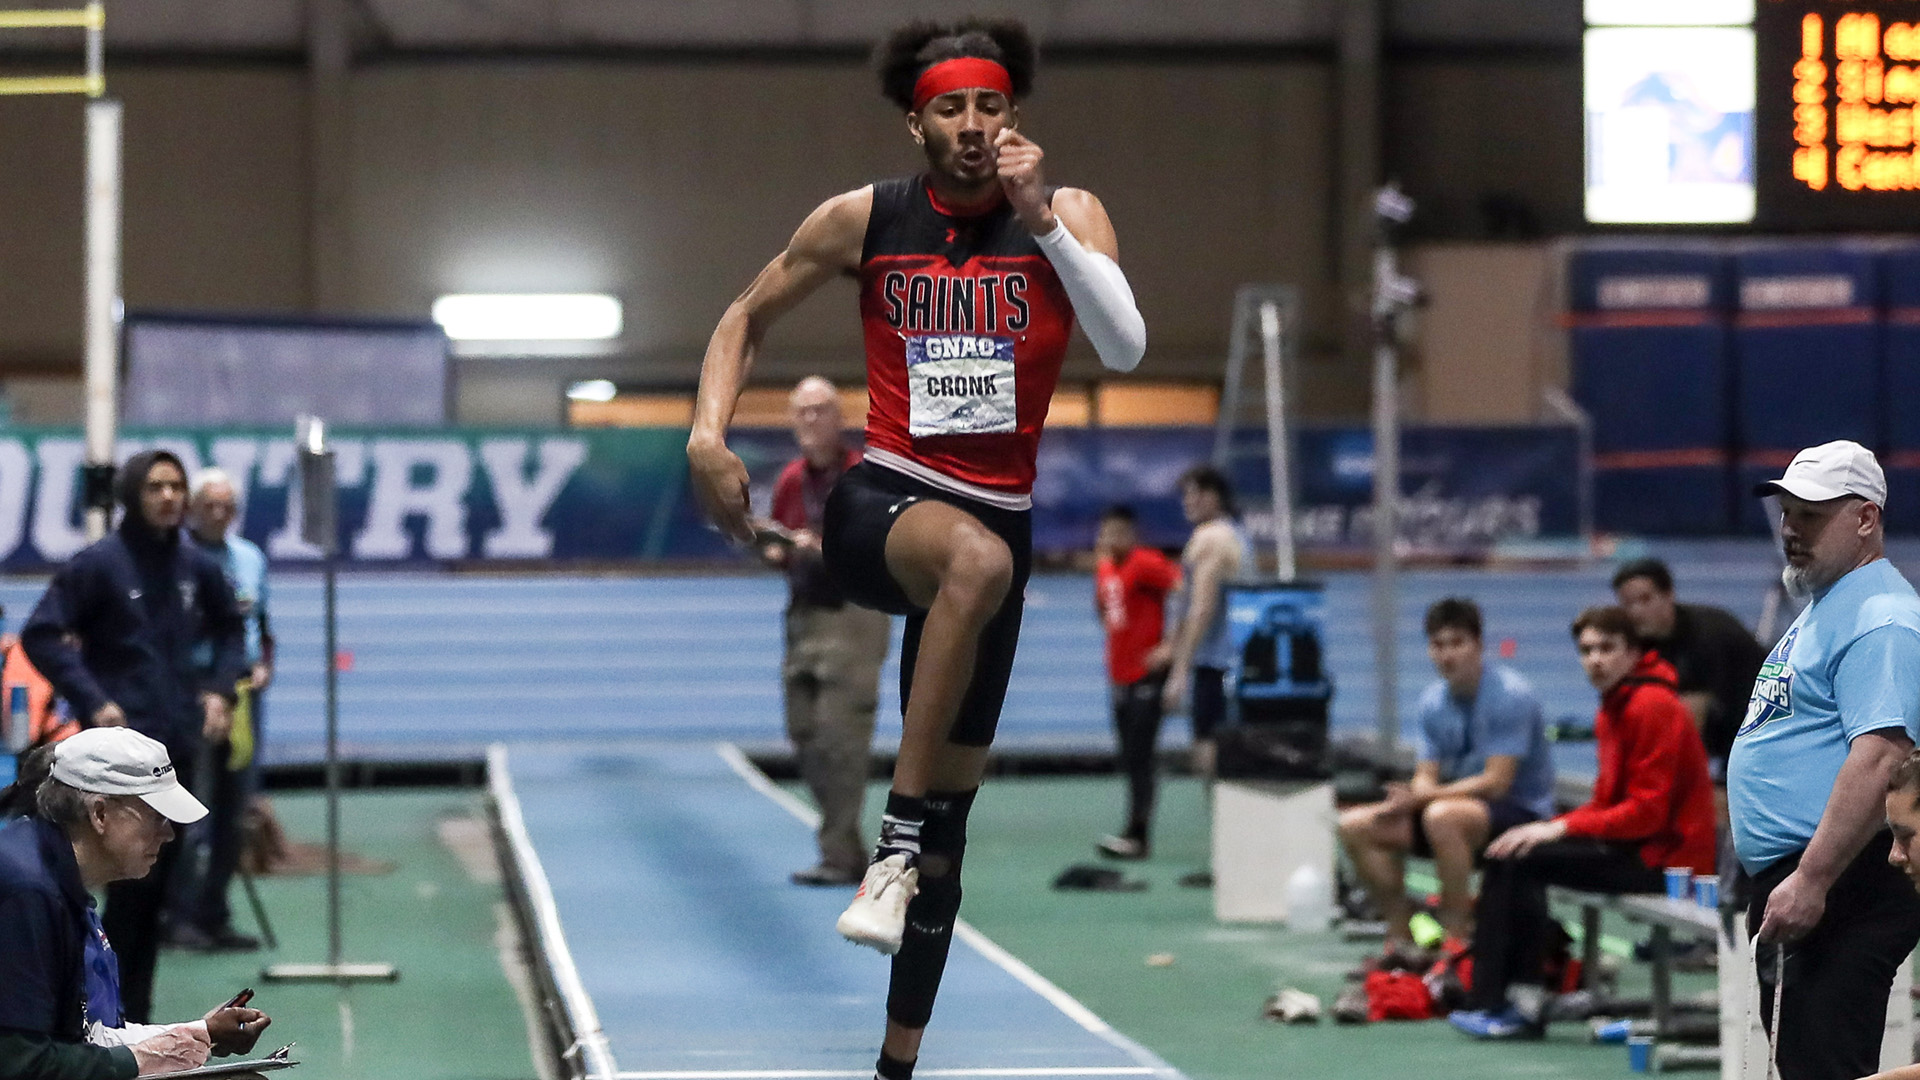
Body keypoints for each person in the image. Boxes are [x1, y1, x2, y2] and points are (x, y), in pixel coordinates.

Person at [685, 18, 1144, 1079]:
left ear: (1014, 118)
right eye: (952, 108)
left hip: (1000, 525)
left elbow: (1123, 345)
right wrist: (708, 434)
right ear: (917, 120)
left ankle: (894, 1062)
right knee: (972, 562)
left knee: (951, 848)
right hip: (884, 502)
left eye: (992, 107)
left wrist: (1043, 224)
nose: (975, 126)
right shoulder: (867, 218)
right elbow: (743, 315)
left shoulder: (1065, 214)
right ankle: (883, 850)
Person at [21, 450, 247, 1023]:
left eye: (176, 486)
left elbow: (232, 627)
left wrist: (221, 689)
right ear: (131, 493)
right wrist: (94, 698)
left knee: (155, 896)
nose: (169, 497)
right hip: (115, 763)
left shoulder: (196, 566)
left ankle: (129, 1021)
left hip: (174, 751)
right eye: (155, 487)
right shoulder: (100, 565)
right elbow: (41, 632)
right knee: (114, 896)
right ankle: (96, 1018)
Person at [1729, 440, 1920, 1080]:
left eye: (1810, 516)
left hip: (1844, 879)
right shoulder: (1829, 608)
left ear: (1865, 519)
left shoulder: (1881, 618)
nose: (1790, 531)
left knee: (1826, 1062)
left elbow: (1882, 754)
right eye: (1787, 514)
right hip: (1815, 875)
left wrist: (1812, 878)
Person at [1448, 605, 1716, 1039]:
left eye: (1606, 649)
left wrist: (1560, 828)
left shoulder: (1651, 706)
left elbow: (1647, 813)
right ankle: (1499, 998)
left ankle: (1519, 1002)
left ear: (1633, 653)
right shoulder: (1615, 705)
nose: (1594, 659)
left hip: (1669, 867)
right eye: (1586, 650)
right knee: (1509, 850)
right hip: (1636, 848)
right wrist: (1555, 825)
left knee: (1524, 860)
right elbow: (1606, 803)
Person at [0, 729, 268, 1080]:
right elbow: (20, 1066)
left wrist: (199, 1035)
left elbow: (81, 1037)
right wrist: (145, 1061)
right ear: (99, 814)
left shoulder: (56, 877)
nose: (169, 833)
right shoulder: (28, 892)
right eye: (156, 815)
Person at [1337, 598, 1555, 948]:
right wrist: (1410, 801)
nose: (1447, 655)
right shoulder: (1432, 702)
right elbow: (1426, 773)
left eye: (1457, 644)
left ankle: (1456, 941)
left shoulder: (1511, 696)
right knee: (1355, 826)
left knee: (1442, 817)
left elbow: (1496, 784)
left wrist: (1424, 798)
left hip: (1520, 813)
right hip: (1454, 810)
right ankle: (1402, 936)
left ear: (1479, 646)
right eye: (1438, 645)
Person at [760, 377, 893, 887]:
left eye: (820, 411)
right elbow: (782, 542)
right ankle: (848, 847)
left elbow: (882, 542)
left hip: (854, 613)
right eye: (802, 412)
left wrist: (824, 548)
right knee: (804, 734)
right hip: (803, 614)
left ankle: (839, 853)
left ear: (839, 418)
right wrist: (774, 548)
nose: (811, 421)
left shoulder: (863, 476)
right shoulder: (792, 480)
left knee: (841, 736)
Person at [166, 467, 272, 951]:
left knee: (233, 810)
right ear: (193, 508)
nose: (218, 514)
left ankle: (214, 912)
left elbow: (261, 628)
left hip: (243, 697)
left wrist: (264, 665)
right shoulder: (177, 560)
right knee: (192, 810)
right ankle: (179, 915)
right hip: (193, 694)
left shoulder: (251, 559)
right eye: (209, 504)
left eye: (226, 506)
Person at [1612, 557, 1766, 778]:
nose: (1636, 611)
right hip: (1722, 726)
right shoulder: (1639, 641)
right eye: (1627, 603)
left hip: (1757, 727)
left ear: (1668, 595)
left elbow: (1691, 729)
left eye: (1645, 600)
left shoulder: (1704, 636)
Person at [1090, 504, 1180, 859]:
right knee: (1129, 757)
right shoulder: (1106, 568)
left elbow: (1185, 591)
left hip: (1148, 674)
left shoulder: (1146, 562)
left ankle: (1138, 835)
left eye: (1116, 532)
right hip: (1120, 675)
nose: (1109, 539)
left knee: (1141, 756)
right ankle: (1133, 831)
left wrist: (1170, 646)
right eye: (1105, 532)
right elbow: (1106, 613)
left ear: (1131, 533)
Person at [1152, 466, 1248, 780]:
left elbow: (1201, 608)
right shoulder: (1234, 532)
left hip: (1217, 664)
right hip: (1229, 660)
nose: (1187, 502)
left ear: (1212, 497)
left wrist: (1180, 671)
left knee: (1208, 746)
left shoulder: (1211, 539)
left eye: (1193, 494)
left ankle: (1223, 818)